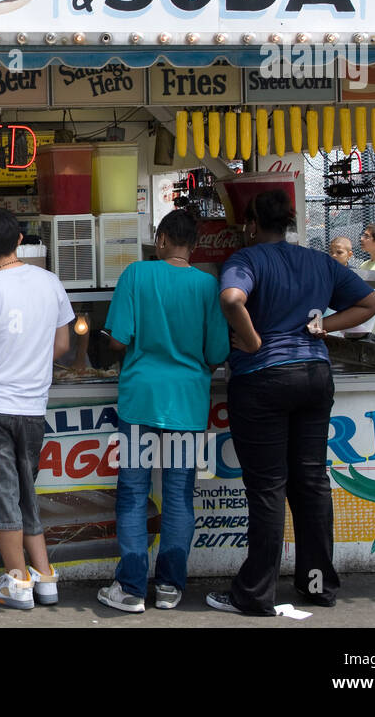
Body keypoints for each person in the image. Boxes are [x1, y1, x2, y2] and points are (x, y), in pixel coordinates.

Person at [208, 191, 375, 616]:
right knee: (311, 483)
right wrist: (323, 326)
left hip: (263, 379)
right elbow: (371, 303)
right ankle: (317, 584)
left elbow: (232, 298)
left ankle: (255, 595)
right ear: (289, 223)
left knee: (268, 487)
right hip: (314, 378)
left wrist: (250, 341)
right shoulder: (319, 261)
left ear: (251, 225)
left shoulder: (246, 260)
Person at [96, 209, 230, 613]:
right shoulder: (208, 286)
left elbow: (118, 341)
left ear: (161, 240)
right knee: (178, 496)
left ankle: (132, 589)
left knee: (134, 493)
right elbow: (217, 353)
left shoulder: (137, 275)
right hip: (188, 406)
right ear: (194, 245)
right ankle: (170, 587)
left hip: (140, 402)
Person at [0, 208, 74, 610]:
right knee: (26, 493)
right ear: (21, 239)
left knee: (4, 498)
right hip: (32, 408)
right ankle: (45, 578)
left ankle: (17, 580)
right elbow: (61, 346)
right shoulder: (51, 282)